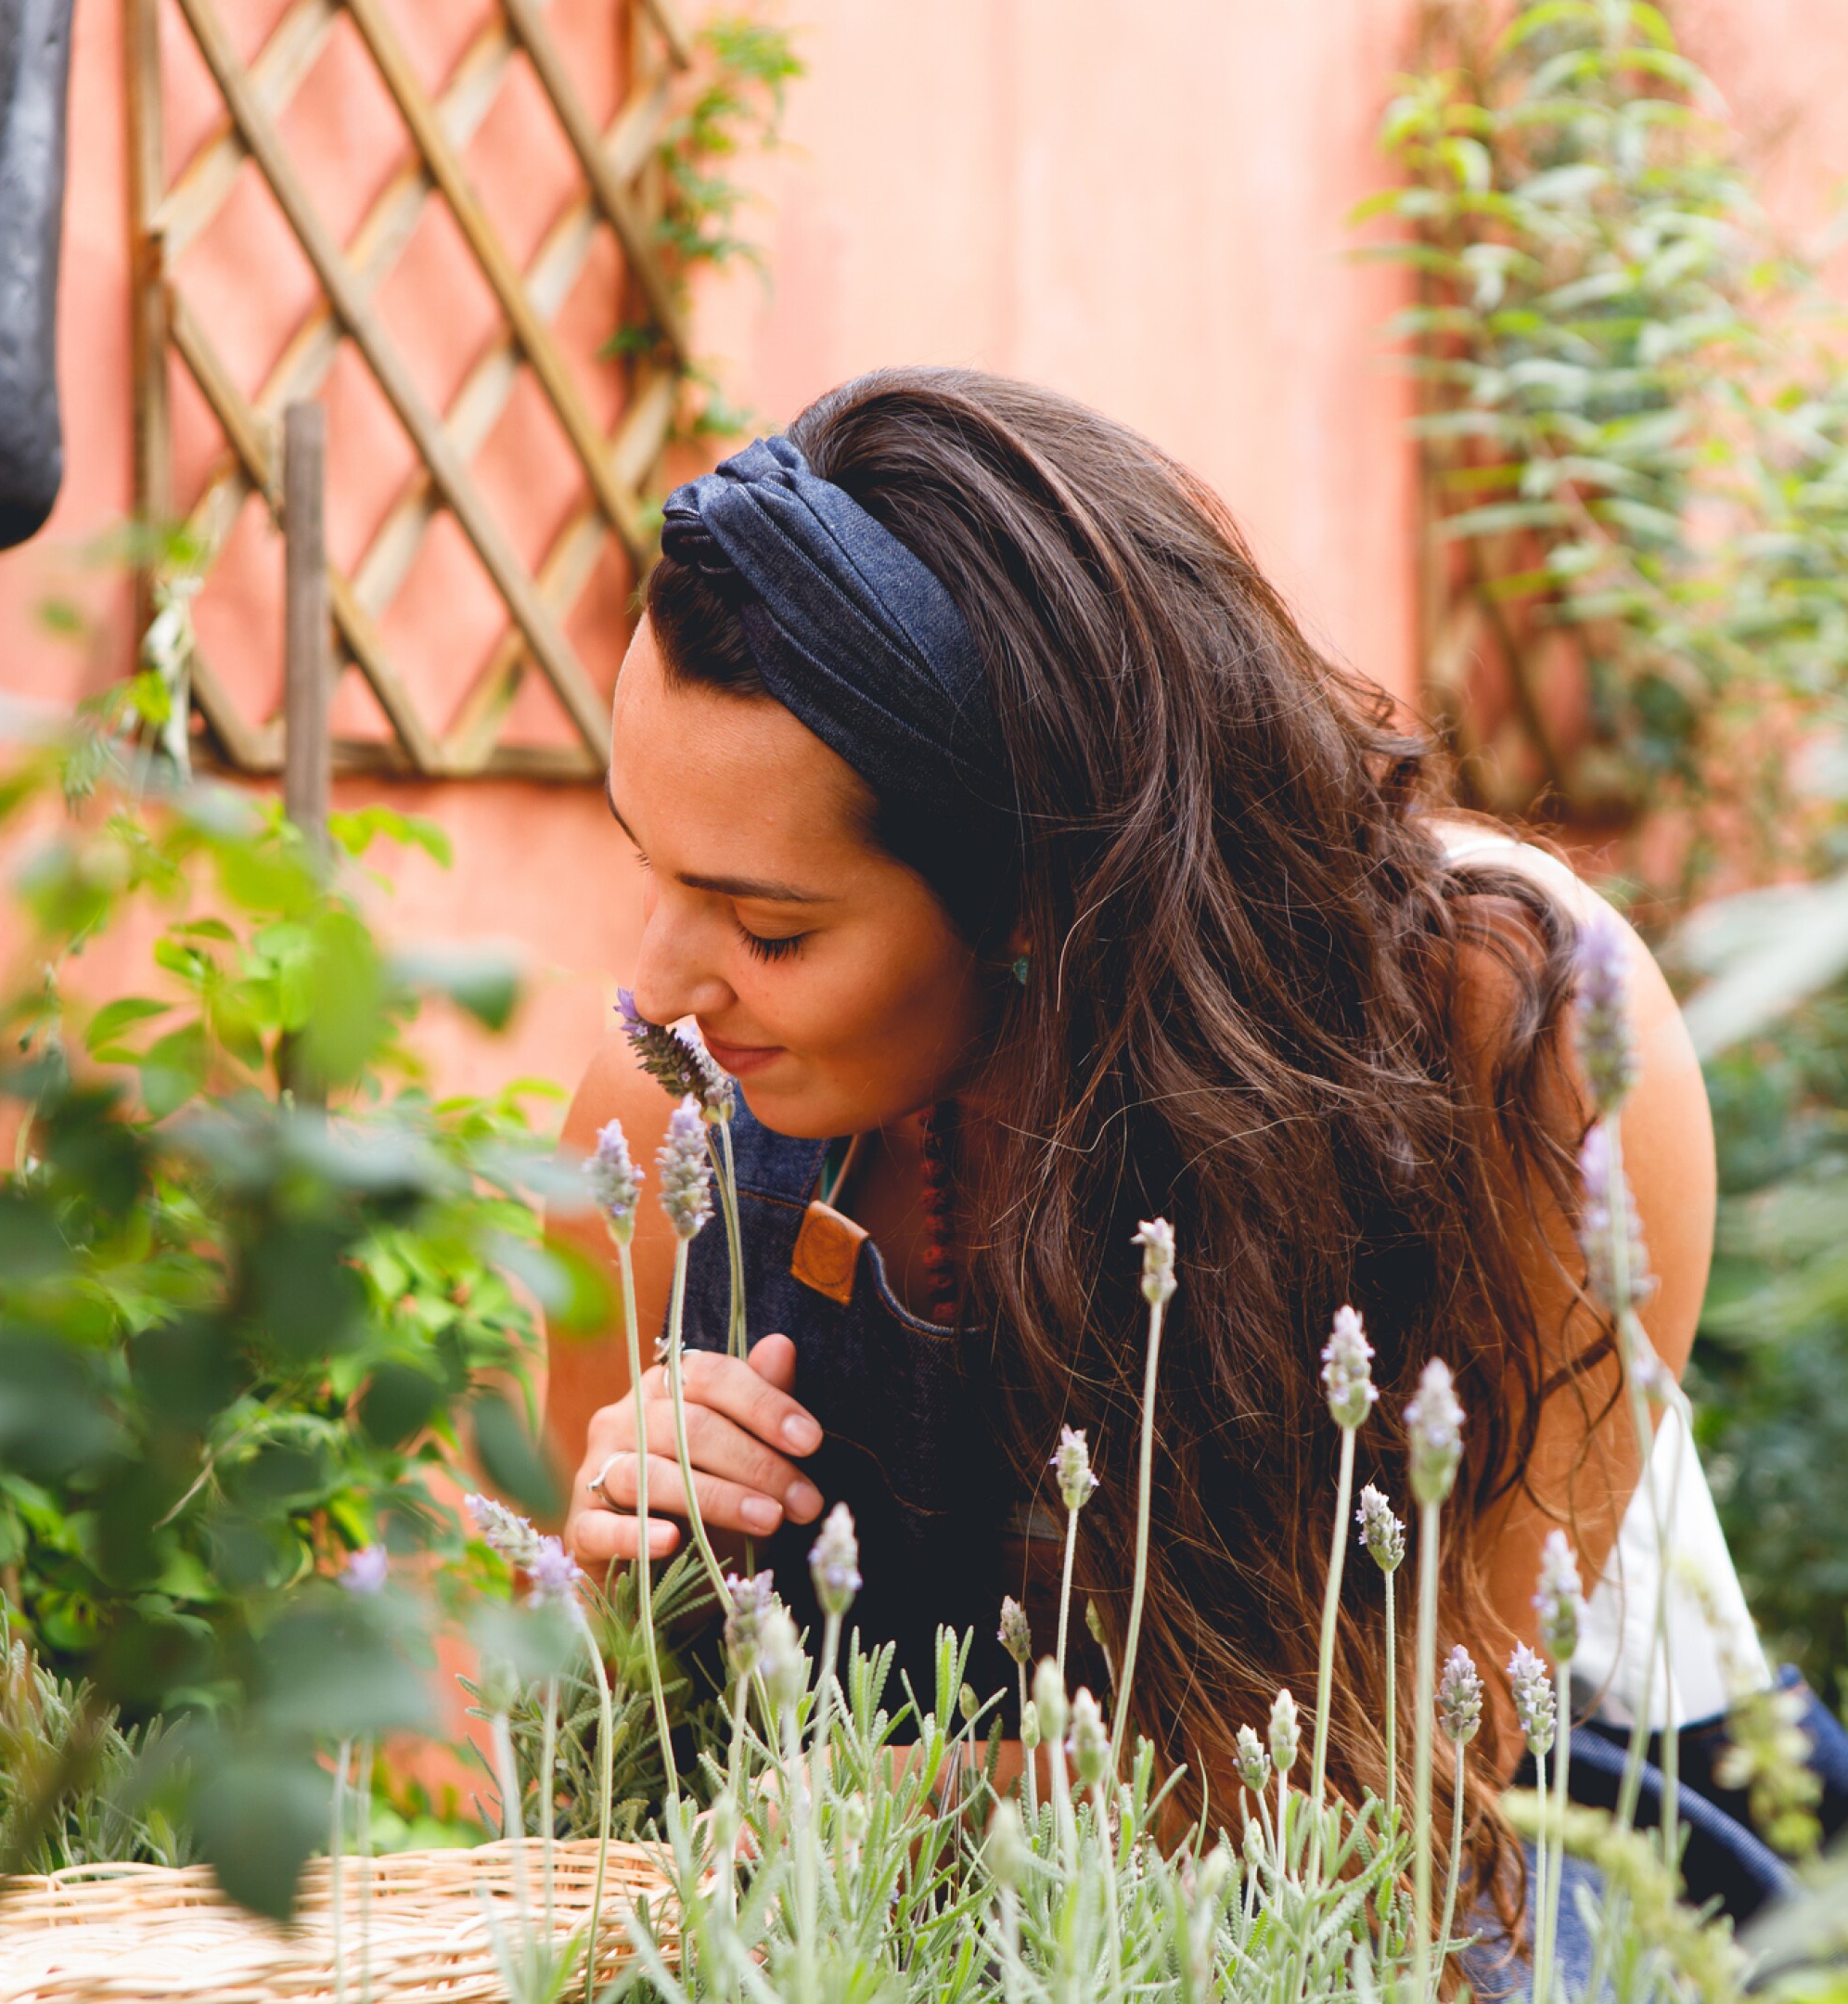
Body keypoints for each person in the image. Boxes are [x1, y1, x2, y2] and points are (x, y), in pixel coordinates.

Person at [544, 366, 1733, 1926]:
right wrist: (616, 1575)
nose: (666, 984)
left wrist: (914, 1817)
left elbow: (1419, 1824)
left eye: (770, 927)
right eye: (652, 866)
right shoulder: (666, 1124)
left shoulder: (1497, 1034)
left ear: (1040, 886)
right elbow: (579, 1775)